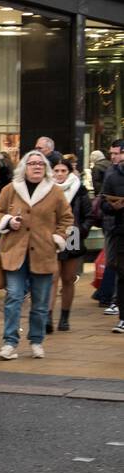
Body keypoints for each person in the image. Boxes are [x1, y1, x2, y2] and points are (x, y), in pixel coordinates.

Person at [0, 150, 73, 360]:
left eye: (40, 164)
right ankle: (9, 342)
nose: (36, 167)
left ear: (45, 168)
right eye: (32, 163)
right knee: (14, 297)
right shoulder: (11, 189)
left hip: (43, 252)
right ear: (24, 167)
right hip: (15, 252)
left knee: (40, 302)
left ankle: (36, 340)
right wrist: (8, 221)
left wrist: (58, 238)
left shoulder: (54, 192)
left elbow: (66, 218)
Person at [50, 159, 91, 333]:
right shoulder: (47, 189)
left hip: (73, 236)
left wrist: (82, 230)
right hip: (51, 237)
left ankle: (65, 317)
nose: (59, 174)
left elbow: (89, 214)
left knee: (68, 278)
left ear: (69, 171)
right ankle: (47, 317)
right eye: (56, 170)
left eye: (63, 170)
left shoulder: (79, 189)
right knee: (52, 279)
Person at [97, 138, 124, 331]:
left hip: (114, 229)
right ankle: (121, 313)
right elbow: (102, 202)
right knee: (119, 271)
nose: (114, 157)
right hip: (118, 229)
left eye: (117, 153)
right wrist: (112, 206)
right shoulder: (111, 174)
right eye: (112, 153)